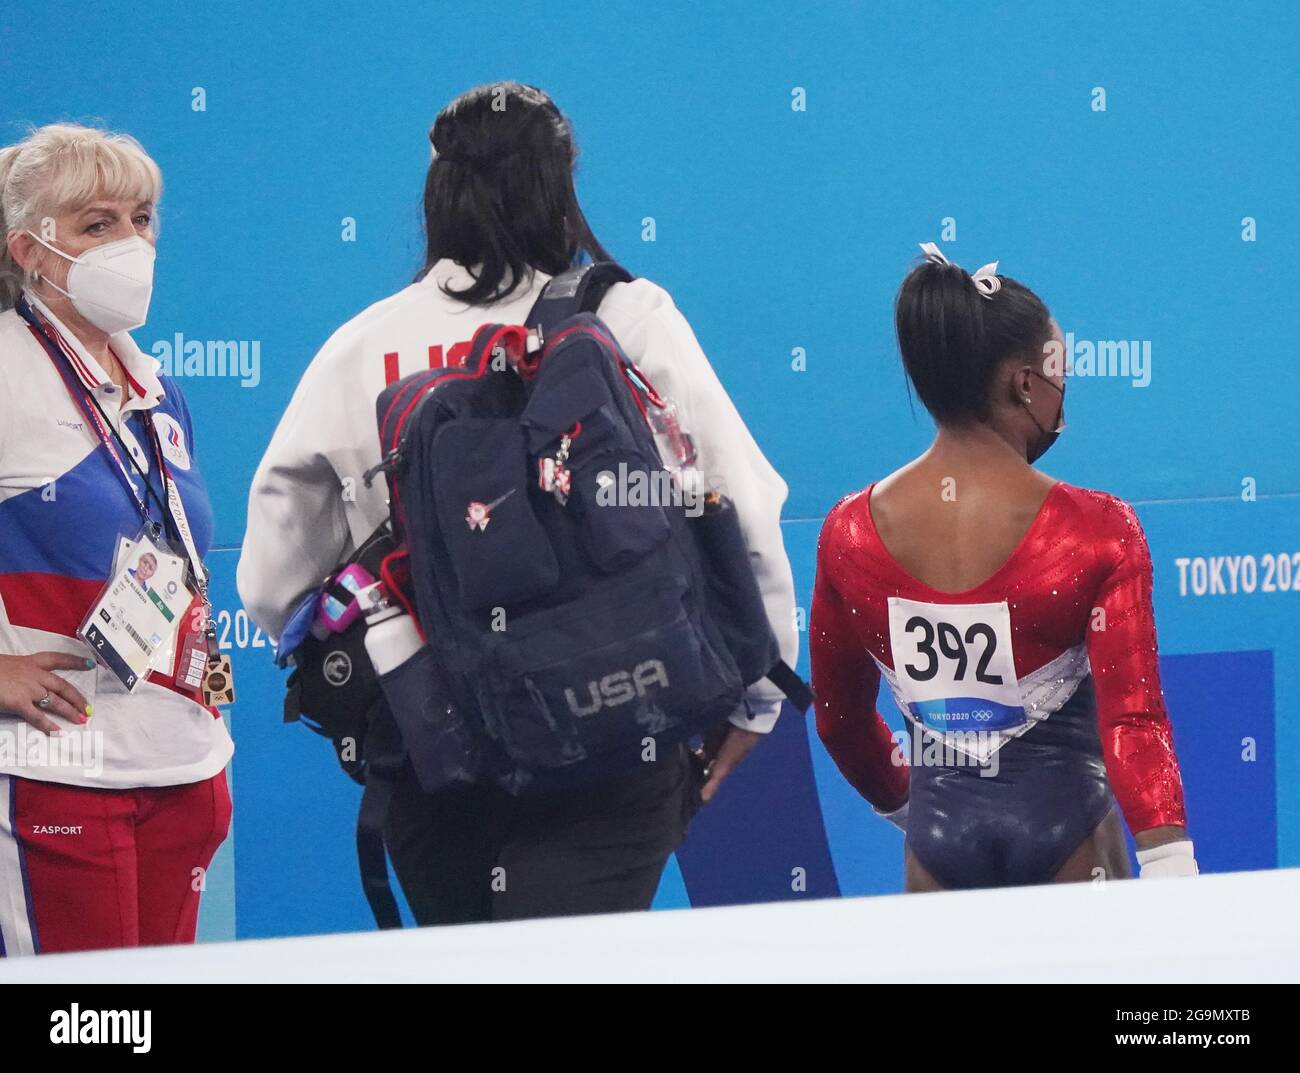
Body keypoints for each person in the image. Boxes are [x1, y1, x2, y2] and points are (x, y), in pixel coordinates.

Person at [237, 81, 798, 923]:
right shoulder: (628, 315)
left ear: (437, 194)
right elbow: (738, 503)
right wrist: (758, 689)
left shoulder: (359, 348)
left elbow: (270, 580)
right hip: (617, 725)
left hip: (438, 755)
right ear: (560, 184)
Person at [809, 243, 1196, 891]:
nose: (1062, 393)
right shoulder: (1097, 529)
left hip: (937, 846)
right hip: (1072, 837)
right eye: (1058, 373)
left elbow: (839, 721)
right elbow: (1134, 720)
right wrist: (1171, 865)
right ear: (1024, 383)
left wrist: (916, 809)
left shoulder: (849, 532)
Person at [0, 124, 233, 954]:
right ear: (30, 249)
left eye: (142, 218)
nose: (132, 244)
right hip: (60, 773)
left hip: (182, 762)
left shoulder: (154, 386)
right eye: (98, 225)